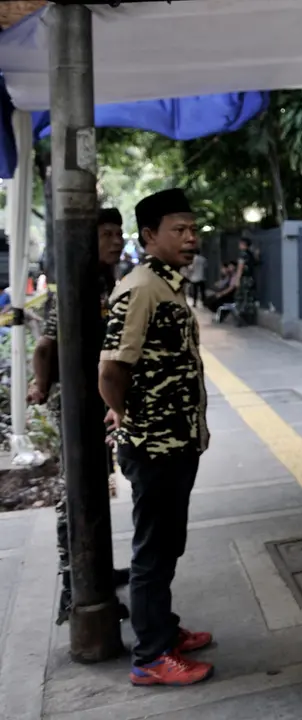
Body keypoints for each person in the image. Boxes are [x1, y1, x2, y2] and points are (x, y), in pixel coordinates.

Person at [98, 189, 212, 686]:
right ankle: (150, 657)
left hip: (177, 439)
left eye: (193, 229)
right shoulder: (142, 287)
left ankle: (164, 629)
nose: (190, 238)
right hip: (155, 445)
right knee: (153, 549)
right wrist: (127, 418)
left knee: (168, 543)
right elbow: (111, 370)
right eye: (178, 230)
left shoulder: (169, 284)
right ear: (149, 236)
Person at [30, 207, 130, 626]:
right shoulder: (76, 283)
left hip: (95, 401)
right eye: (106, 233)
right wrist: (39, 386)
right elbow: (44, 347)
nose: (115, 241)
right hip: (73, 403)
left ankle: (99, 571)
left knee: (96, 482)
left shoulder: (106, 280)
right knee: (74, 490)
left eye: (118, 233)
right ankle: (73, 586)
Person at [230, 237, 258, 326]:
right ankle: (248, 318)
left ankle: (240, 317)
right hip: (250, 279)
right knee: (248, 298)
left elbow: (240, 267)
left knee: (240, 297)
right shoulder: (250, 254)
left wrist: (237, 280)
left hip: (244, 279)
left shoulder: (242, 254)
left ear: (243, 244)